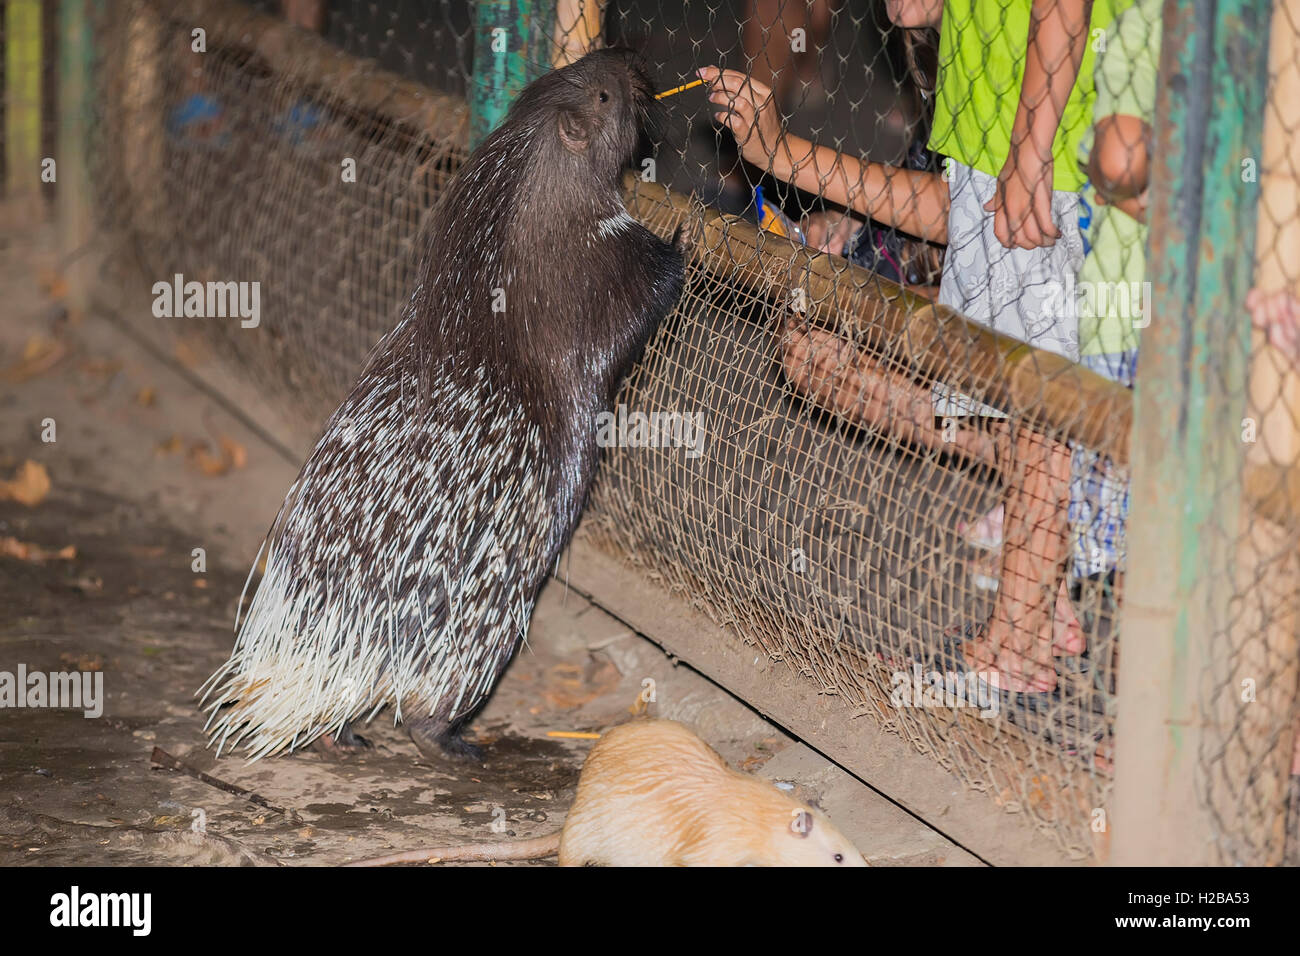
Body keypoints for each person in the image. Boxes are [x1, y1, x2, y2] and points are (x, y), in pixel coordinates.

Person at [701, 0, 1121, 699]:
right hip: (1022, 199)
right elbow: (959, 206)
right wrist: (813, 189)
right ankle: (1058, 519)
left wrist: (1032, 145)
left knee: (1034, 391)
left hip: (1110, 287)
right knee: (825, 344)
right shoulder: (960, 44)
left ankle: (1017, 643)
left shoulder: (1028, 54)